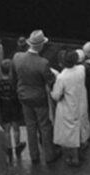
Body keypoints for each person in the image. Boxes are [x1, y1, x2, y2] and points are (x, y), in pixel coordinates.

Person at [11, 29, 60, 165]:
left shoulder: (17, 57)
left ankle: (34, 156)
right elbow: (50, 81)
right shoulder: (43, 63)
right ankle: (50, 155)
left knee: (30, 125)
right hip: (39, 98)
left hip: (23, 96)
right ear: (41, 45)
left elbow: (13, 78)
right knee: (44, 126)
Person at [50, 50, 90, 168]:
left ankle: (74, 158)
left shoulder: (62, 77)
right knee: (80, 129)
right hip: (81, 104)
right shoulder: (81, 70)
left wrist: (50, 91)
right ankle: (80, 152)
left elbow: (56, 95)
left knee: (70, 134)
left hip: (68, 107)